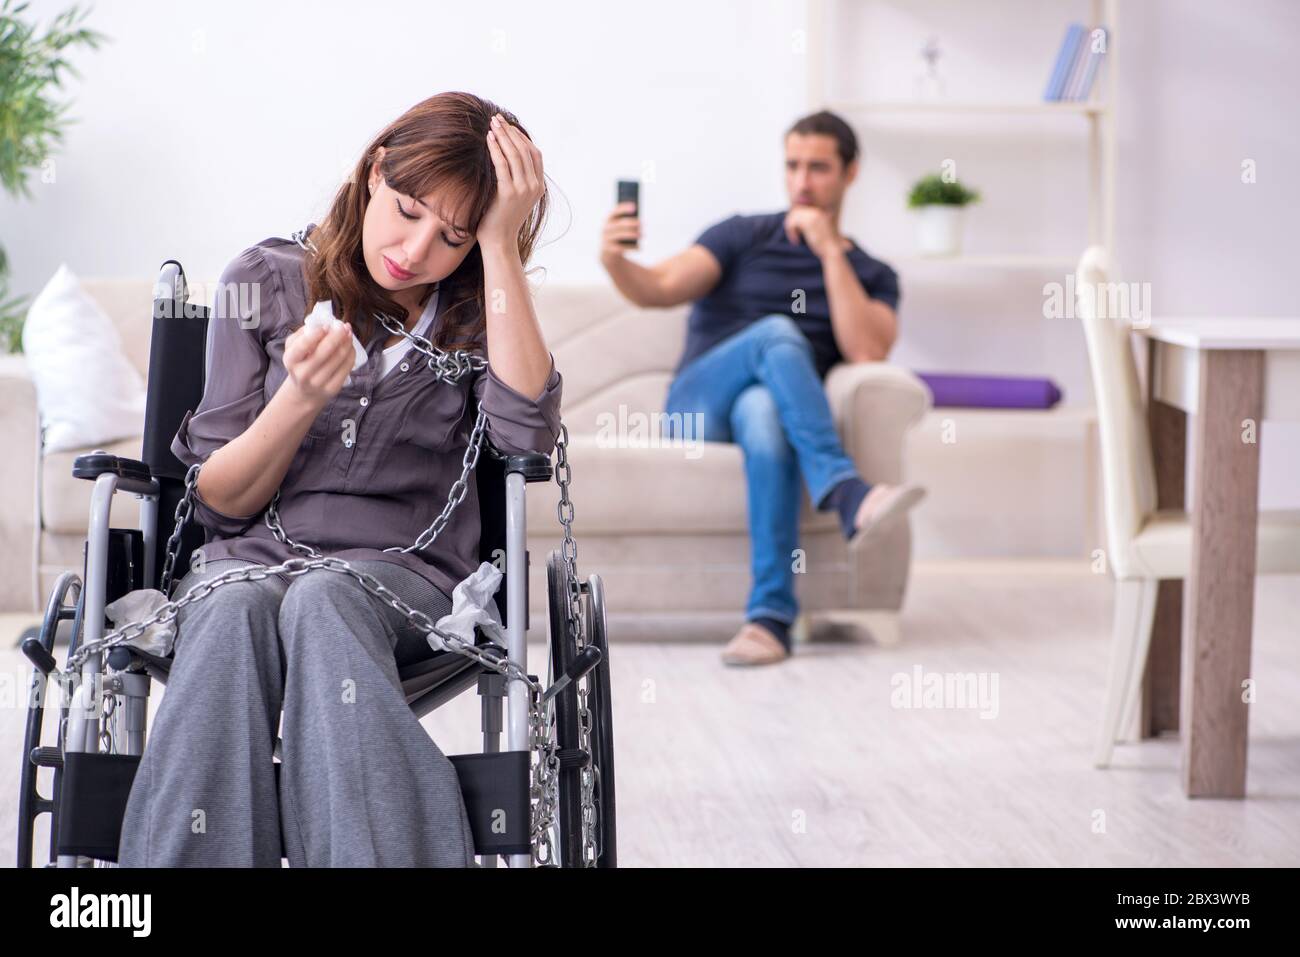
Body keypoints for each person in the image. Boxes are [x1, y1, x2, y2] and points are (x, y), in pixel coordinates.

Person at [118, 91, 561, 867]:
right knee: (231, 610)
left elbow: (527, 433)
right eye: (408, 208)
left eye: (452, 234)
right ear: (372, 169)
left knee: (326, 597)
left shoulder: (478, 309)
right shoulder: (263, 279)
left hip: (404, 579)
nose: (417, 249)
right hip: (248, 561)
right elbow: (220, 503)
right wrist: (299, 400)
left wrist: (498, 245)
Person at [599, 110, 925, 667]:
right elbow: (657, 288)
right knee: (776, 331)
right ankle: (846, 490)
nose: (802, 181)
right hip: (697, 407)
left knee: (767, 412)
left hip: (761, 413)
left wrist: (829, 253)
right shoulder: (743, 235)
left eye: (819, 167)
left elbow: (868, 350)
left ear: (850, 174)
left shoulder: (871, 273)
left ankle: (770, 620)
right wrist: (615, 260)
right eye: (793, 165)